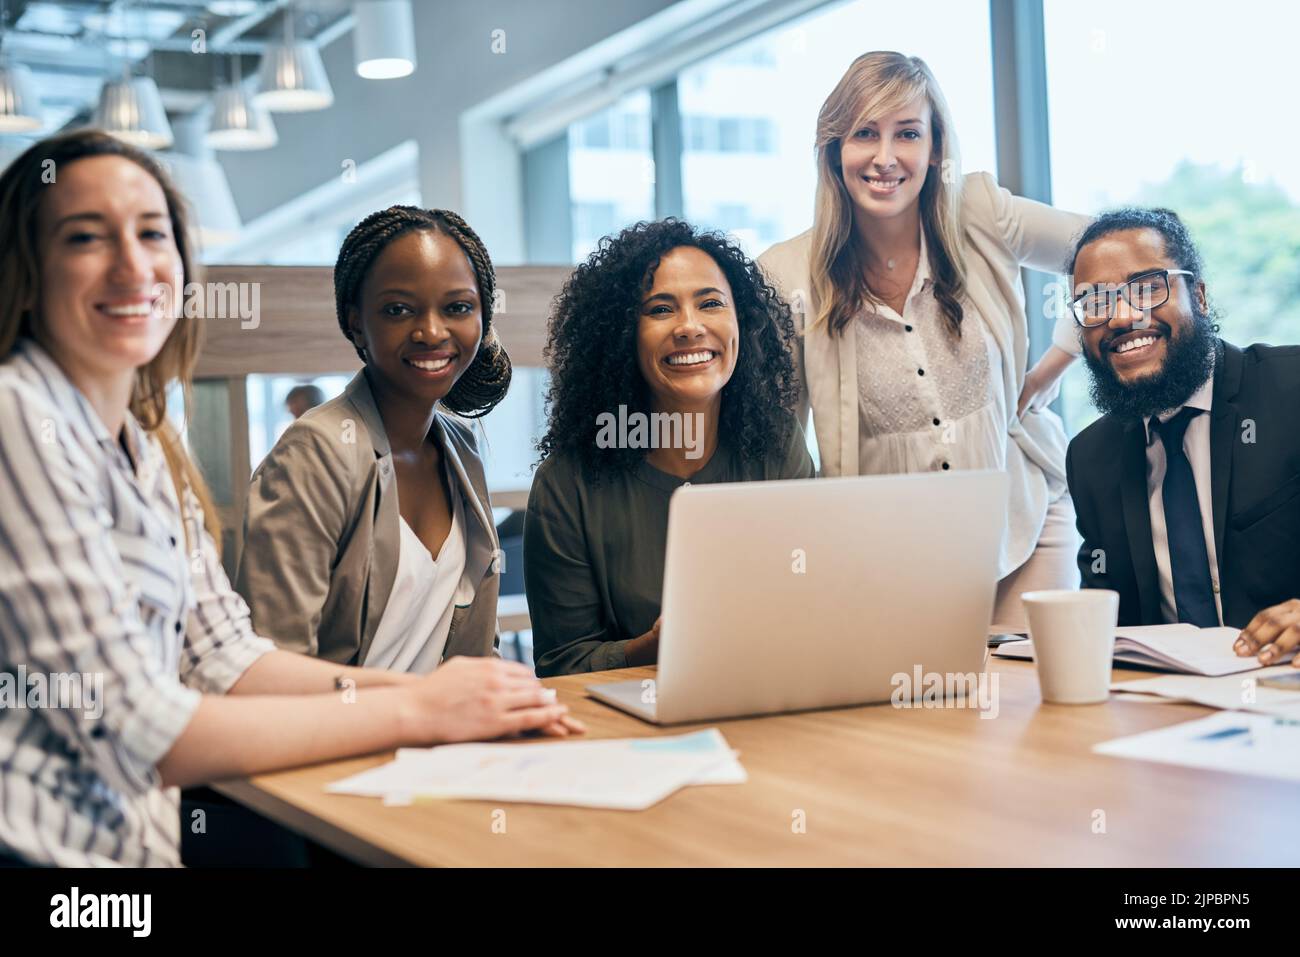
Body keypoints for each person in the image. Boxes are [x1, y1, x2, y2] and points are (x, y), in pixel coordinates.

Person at [0, 130, 578, 868]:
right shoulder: (19, 415)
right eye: (86, 237)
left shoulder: (145, 447)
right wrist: (417, 708)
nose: (132, 262)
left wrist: (458, 698)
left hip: (138, 849)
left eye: (152, 233)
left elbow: (227, 656)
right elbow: (132, 725)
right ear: (25, 265)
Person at [758, 51, 1090, 631]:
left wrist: (1054, 364)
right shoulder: (785, 275)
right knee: (925, 716)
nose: (885, 158)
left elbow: (1112, 251)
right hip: (888, 565)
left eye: (907, 133)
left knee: (1029, 701)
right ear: (834, 149)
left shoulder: (984, 213)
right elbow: (777, 443)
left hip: (1025, 527)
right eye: (865, 133)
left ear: (935, 149)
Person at [525, 219, 814, 676]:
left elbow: (807, 612)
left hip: (765, 707)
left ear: (743, 321)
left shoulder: (778, 446)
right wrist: (653, 646)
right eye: (660, 309)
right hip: (627, 732)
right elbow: (562, 664)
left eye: (711, 303)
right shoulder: (567, 484)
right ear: (621, 337)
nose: (690, 327)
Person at [237, 207, 511, 674]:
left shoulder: (461, 449)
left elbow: (475, 647)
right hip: (338, 738)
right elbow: (272, 668)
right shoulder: (314, 455)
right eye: (399, 310)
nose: (431, 331)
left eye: (457, 307)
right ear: (357, 322)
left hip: (445, 739)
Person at [1064, 207, 1300, 669]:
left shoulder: (1291, 390)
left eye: (1148, 288)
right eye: (1095, 302)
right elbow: (1109, 625)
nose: (1122, 316)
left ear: (1199, 296)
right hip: (1170, 709)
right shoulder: (1092, 457)